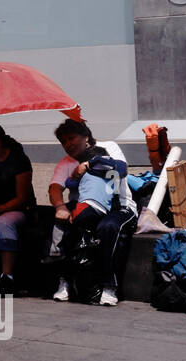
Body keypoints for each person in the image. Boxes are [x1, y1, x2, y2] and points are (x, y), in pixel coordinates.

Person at [49, 119, 132, 306]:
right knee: (62, 224)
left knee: (108, 227)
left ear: (86, 136)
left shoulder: (107, 148)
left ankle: (110, 286)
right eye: (63, 142)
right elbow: (55, 188)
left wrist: (89, 164)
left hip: (118, 207)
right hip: (85, 207)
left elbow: (121, 170)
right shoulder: (66, 163)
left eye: (72, 138)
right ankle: (65, 281)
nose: (68, 145)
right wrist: (60, 207)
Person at [0, 122, 35, 293]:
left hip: (17, 210)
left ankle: (7, 276)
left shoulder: (19, 161)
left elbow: (22, 198)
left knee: (4, 223)